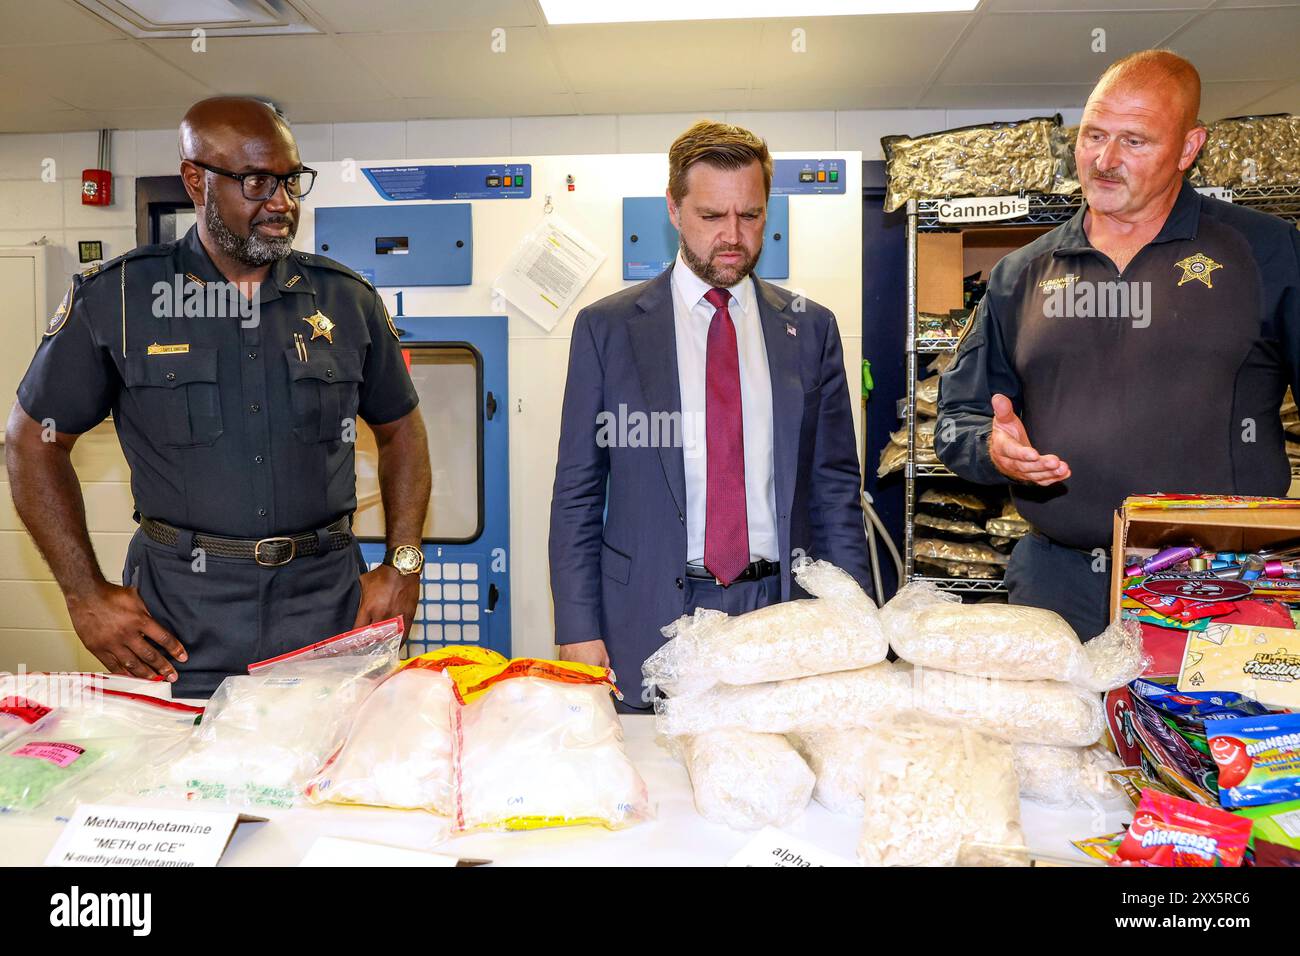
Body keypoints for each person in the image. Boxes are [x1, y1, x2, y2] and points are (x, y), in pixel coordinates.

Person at [5, 96, 432, 696]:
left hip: (328, 609)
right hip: (177, 623)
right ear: (194, 180)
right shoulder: (118, 299)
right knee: (181, 759)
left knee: (332, 756)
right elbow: (32, 442)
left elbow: (401, 429)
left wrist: (403, 564)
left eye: (291, 181)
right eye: (256, 182)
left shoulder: (344, 300)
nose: (281, 203)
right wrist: (85, 595)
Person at [935, 50, 1300, 641]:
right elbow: (960, 417)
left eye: (1134, 141)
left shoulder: (1268, 252)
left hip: (1220, 584)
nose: (1104, 161)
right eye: (1093, 135)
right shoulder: (1020, 274)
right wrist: (991, 449)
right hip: (1059, 584)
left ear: (1188, 148)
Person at [549, 120, 872, 709]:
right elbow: (577, 491)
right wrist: (576, 625)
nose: (732, 236)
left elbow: (834, 489)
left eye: (750, 216)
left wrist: (855, 616)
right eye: (711, 216)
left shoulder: (811, 329)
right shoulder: (608, 329)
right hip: (648, 614)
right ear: (674, 210)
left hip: (780, 610)